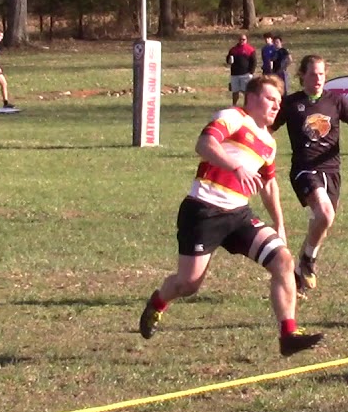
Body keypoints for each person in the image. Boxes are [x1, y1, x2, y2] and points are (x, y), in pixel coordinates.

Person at [138, 74, 323, 357]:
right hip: (203, 210)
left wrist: (280, 224)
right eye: (270, 99)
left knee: (283, 260)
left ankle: (288, 334)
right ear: (251, 98)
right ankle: (159, 302)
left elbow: (268, 184)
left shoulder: (269, 143)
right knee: (188, 284)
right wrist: (235, 166)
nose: (276, 106)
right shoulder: (234, 117)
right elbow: (204, 144)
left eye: (278, 101)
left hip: (238, 214)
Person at [272, 55, 348, 297]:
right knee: (325, 213)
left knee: (323, 221)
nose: (318, 79)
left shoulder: (336, 101)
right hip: (304, 170)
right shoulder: (291, 104)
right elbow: (267, 128)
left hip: (332, 171)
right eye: (313, 74)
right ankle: (307, 259)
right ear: (302, 76)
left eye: (321, 74)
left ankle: (301, 266)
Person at [226, 32, 257, 106]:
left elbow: (254, 62)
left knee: (245, 91)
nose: (242, 41)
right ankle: (234, 105)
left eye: (244, 39)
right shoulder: (233, 49)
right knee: (235, 91)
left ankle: (246, 106)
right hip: (235, 74)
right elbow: (228, 60)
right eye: (240, 39)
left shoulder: (250, 49)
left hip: (245, 74)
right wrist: (229, 60)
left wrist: (251, 73)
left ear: (246, 40)